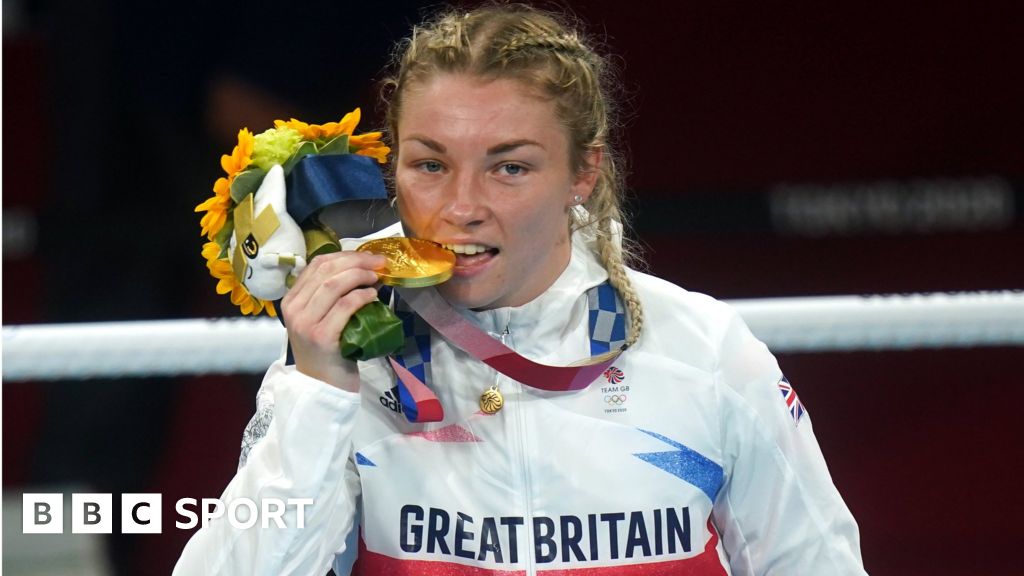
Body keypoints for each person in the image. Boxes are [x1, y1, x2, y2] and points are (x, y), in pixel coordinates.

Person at [175, 3, 867, 574]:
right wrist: (318, 391)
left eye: (508, 168)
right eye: (429, 164)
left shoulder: (703, 353)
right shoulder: (348, 371)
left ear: (582, 174)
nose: (462, 205)